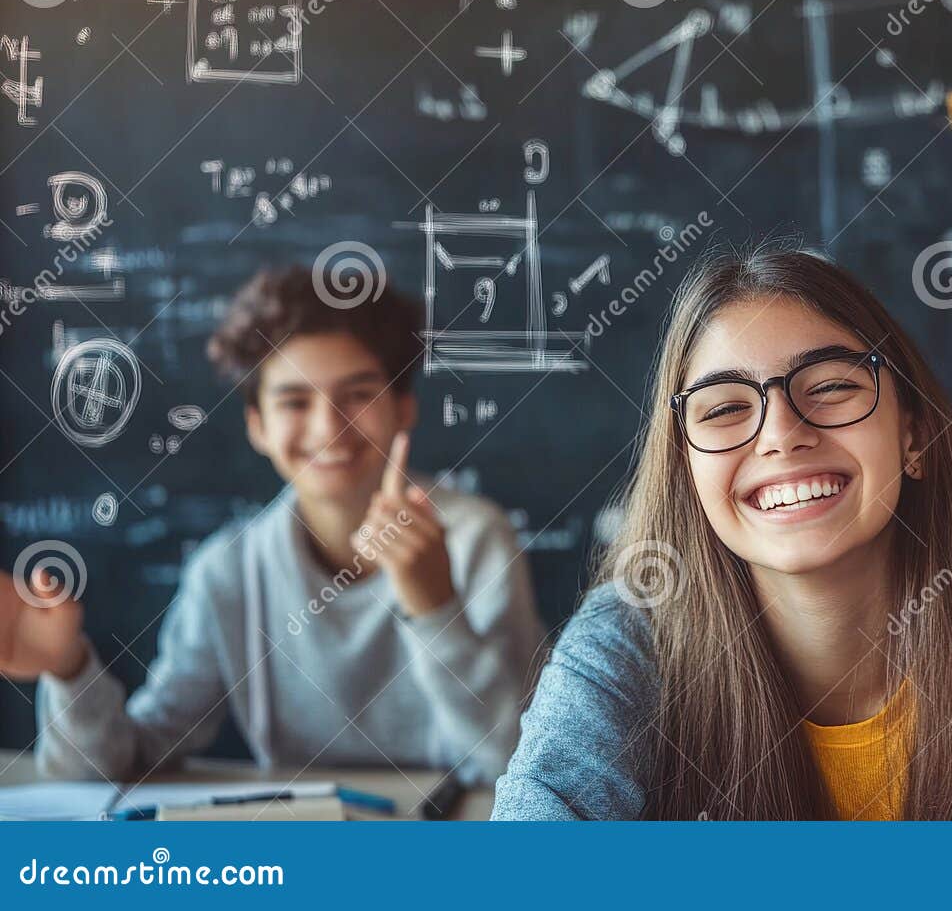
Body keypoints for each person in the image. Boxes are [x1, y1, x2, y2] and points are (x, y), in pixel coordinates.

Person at [492, 243, 952, 820]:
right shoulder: (626, 644)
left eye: (830, 387)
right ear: (686, 470)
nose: (782, 435)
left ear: (913, 435)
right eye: (725, 407)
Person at [0, 265, 544, 785]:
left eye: (358, 395)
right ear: (257, 426)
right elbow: (127, 762)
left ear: (404, 408)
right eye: (294, 401)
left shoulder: (476, 540)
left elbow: (521, 767)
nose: (329, 428)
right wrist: (67, 667)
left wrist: (434, 607)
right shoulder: (229, 570)